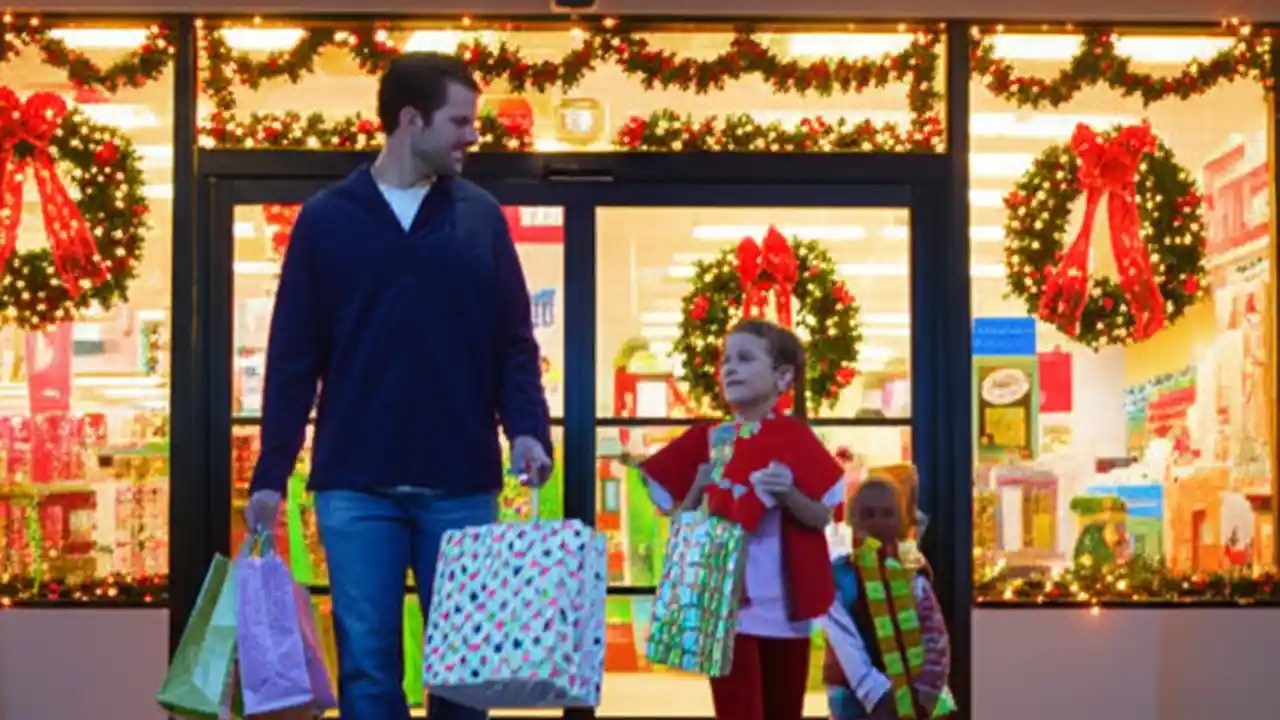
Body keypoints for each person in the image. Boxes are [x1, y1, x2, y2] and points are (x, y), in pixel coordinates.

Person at [242, 52, 552, 720]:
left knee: (467, 672)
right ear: (411, 120)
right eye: (459, 122)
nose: (473, 135)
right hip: (357, 486)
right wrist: (271, 473)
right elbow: (293, 358)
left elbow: (512, 343)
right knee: (368, 669)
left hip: (463, 485)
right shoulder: (327, 220)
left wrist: (527, 430)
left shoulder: (481, 217)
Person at [639, 319, 846, 720]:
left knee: (785, 710)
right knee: (738, 710)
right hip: (725, 608)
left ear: (782, 377)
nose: (730, 368)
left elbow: (822, 515)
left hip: (787, 612)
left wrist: (789, 494)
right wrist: (698, 486)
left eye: (745, 358)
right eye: (726, 360)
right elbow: (679, 525)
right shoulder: (706, 441)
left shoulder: (797, 440)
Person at [822, 478, 952, 720]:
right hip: (855, 702)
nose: (878, 522)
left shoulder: (915, 573)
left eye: (887, 514)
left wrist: (925, 693)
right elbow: (845, 645)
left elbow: (935, 638)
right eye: (868, 514)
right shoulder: (837, 577)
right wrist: (879, 697)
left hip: (920, 700)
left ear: (901, 522)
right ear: (851, 520)